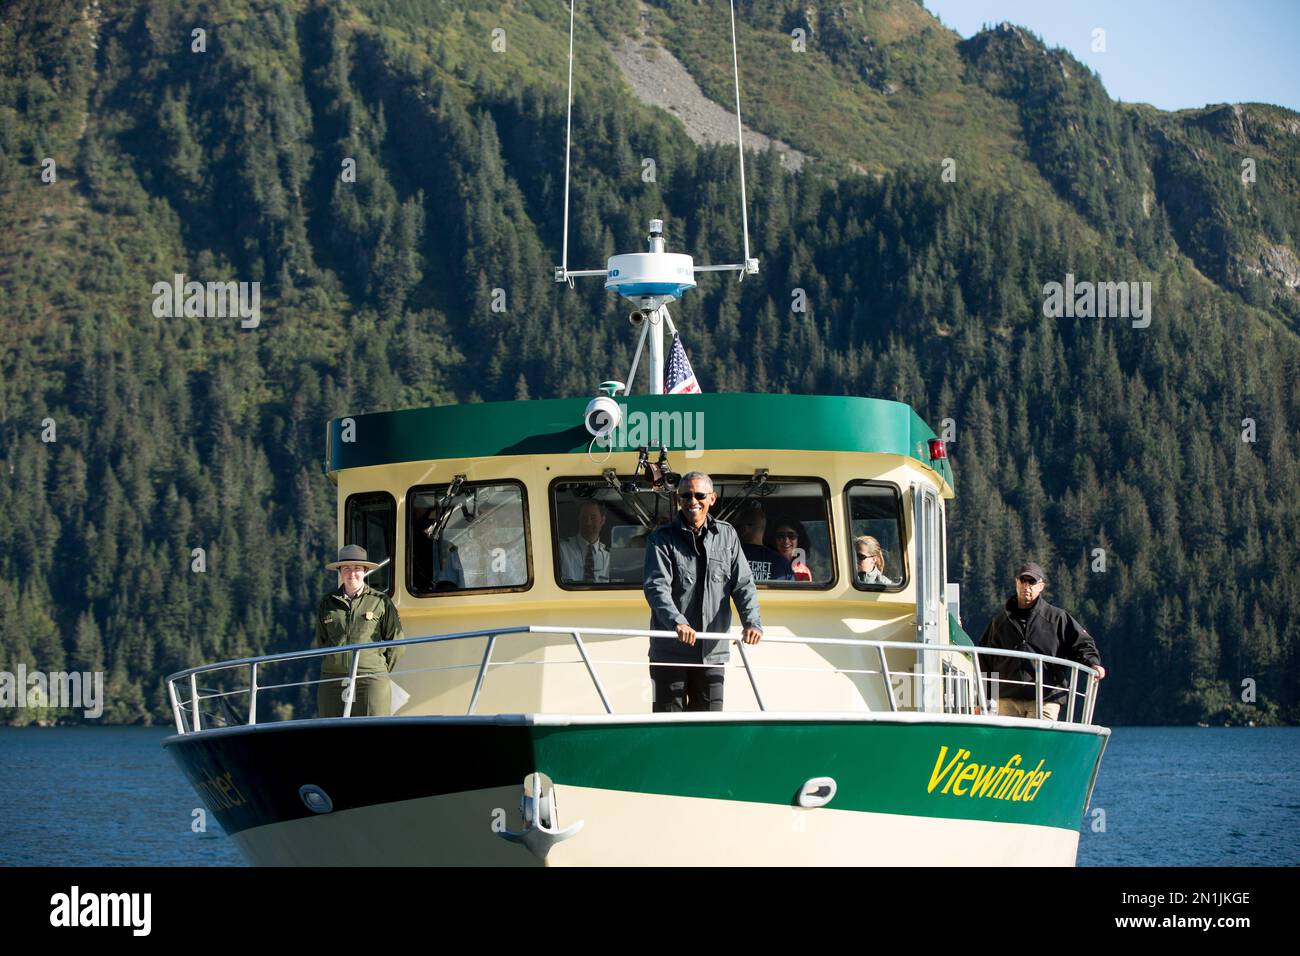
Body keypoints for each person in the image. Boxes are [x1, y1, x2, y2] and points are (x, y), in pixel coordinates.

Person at [644, 472, 763, 711]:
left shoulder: (727, 535)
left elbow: (742, 584)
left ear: (712, 498)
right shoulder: (661, 538)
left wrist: (752, 622)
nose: (692, 501)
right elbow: (656, 587)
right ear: (678, 499)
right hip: (670, 652)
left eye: (699, 495)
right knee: (667, 727)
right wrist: (677, 622)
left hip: (711, 652)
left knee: (709, 729)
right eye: (686, 495)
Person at [977, 562, 1106, 720]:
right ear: (1016, 583)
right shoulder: (999, 622)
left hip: (1045, 698)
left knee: (1039, 743)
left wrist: (1093, 663)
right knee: (1008, 744)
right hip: (1007, 699)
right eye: (1022, 580)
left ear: (1041, 586)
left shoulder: (1057, 618)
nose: (1026, 586)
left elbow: (1081, 643)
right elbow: (984, 660)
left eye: (1032, 582)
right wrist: (984, 699)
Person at [315, 545, 406, 717]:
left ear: (364, 571)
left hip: (371, 680)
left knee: (373, 730)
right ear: (340, 571)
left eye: (357, 568)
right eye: (347, 568)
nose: (352, 573)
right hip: (332, 679)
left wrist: (378, 668)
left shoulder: (380, 601)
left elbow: (397, 643)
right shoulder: (327, 603)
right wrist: (334, 663)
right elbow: (322, 641)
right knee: (329, 733)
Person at [735, 502, 793, 582]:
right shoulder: (782, 563)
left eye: (735, 527)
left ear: (744, 529)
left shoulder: (729, 557)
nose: (733, 530)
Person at [559, 500, 610, 583]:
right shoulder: (561, 549)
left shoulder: (609, 557)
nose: (588, 522)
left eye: (593, 518)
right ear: (578, 519)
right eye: (584, 517)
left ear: (602, 520)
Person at [770, 517, 813, 582]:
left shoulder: (803, 572)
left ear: (799, 539)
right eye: (780, 536)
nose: (786, 541)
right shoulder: (766, 566)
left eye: (791, 536)